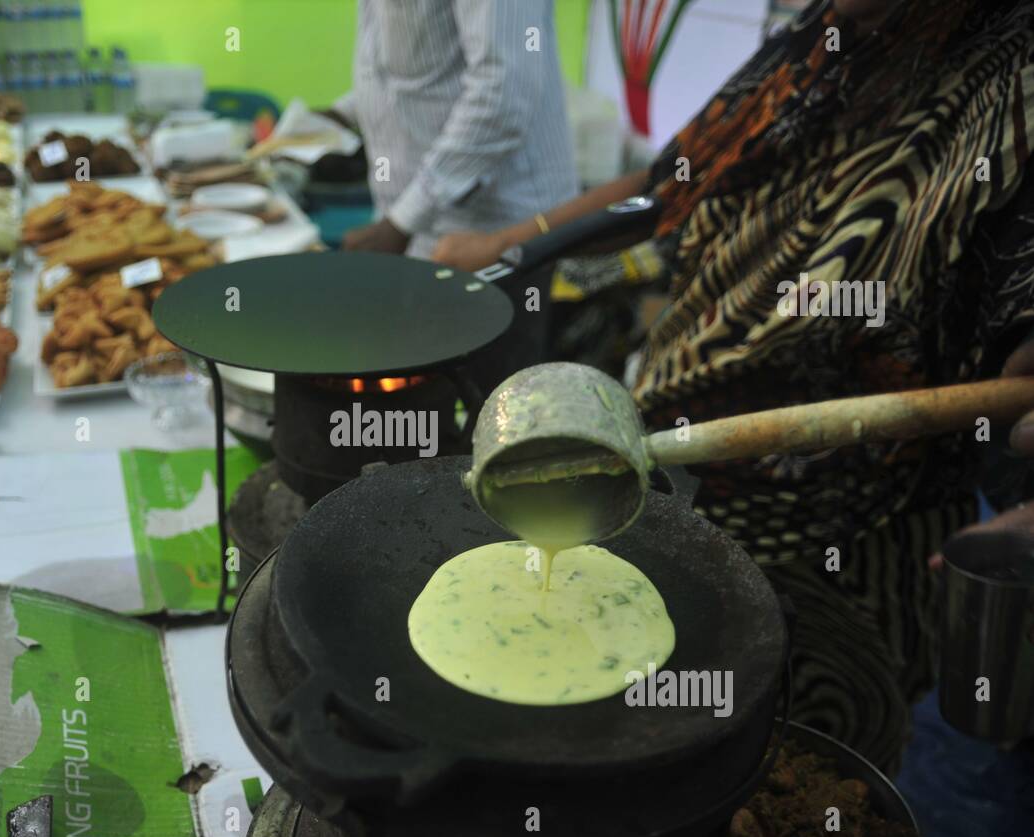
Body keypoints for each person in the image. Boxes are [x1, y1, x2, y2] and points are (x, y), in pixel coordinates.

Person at [435, 0, 1034, 772]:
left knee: (784, 764)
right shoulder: (833, 35)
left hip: (843, 542)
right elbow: (671, 183)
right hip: (679, 475)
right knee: (650, 729)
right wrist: (506, 244)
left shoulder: (1010, 90)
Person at [332, 0, 578, 261]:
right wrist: (340, 115)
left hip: (497, 236)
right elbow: (409, 71)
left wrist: (402, 221)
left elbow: (502, 96)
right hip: (414, 226)